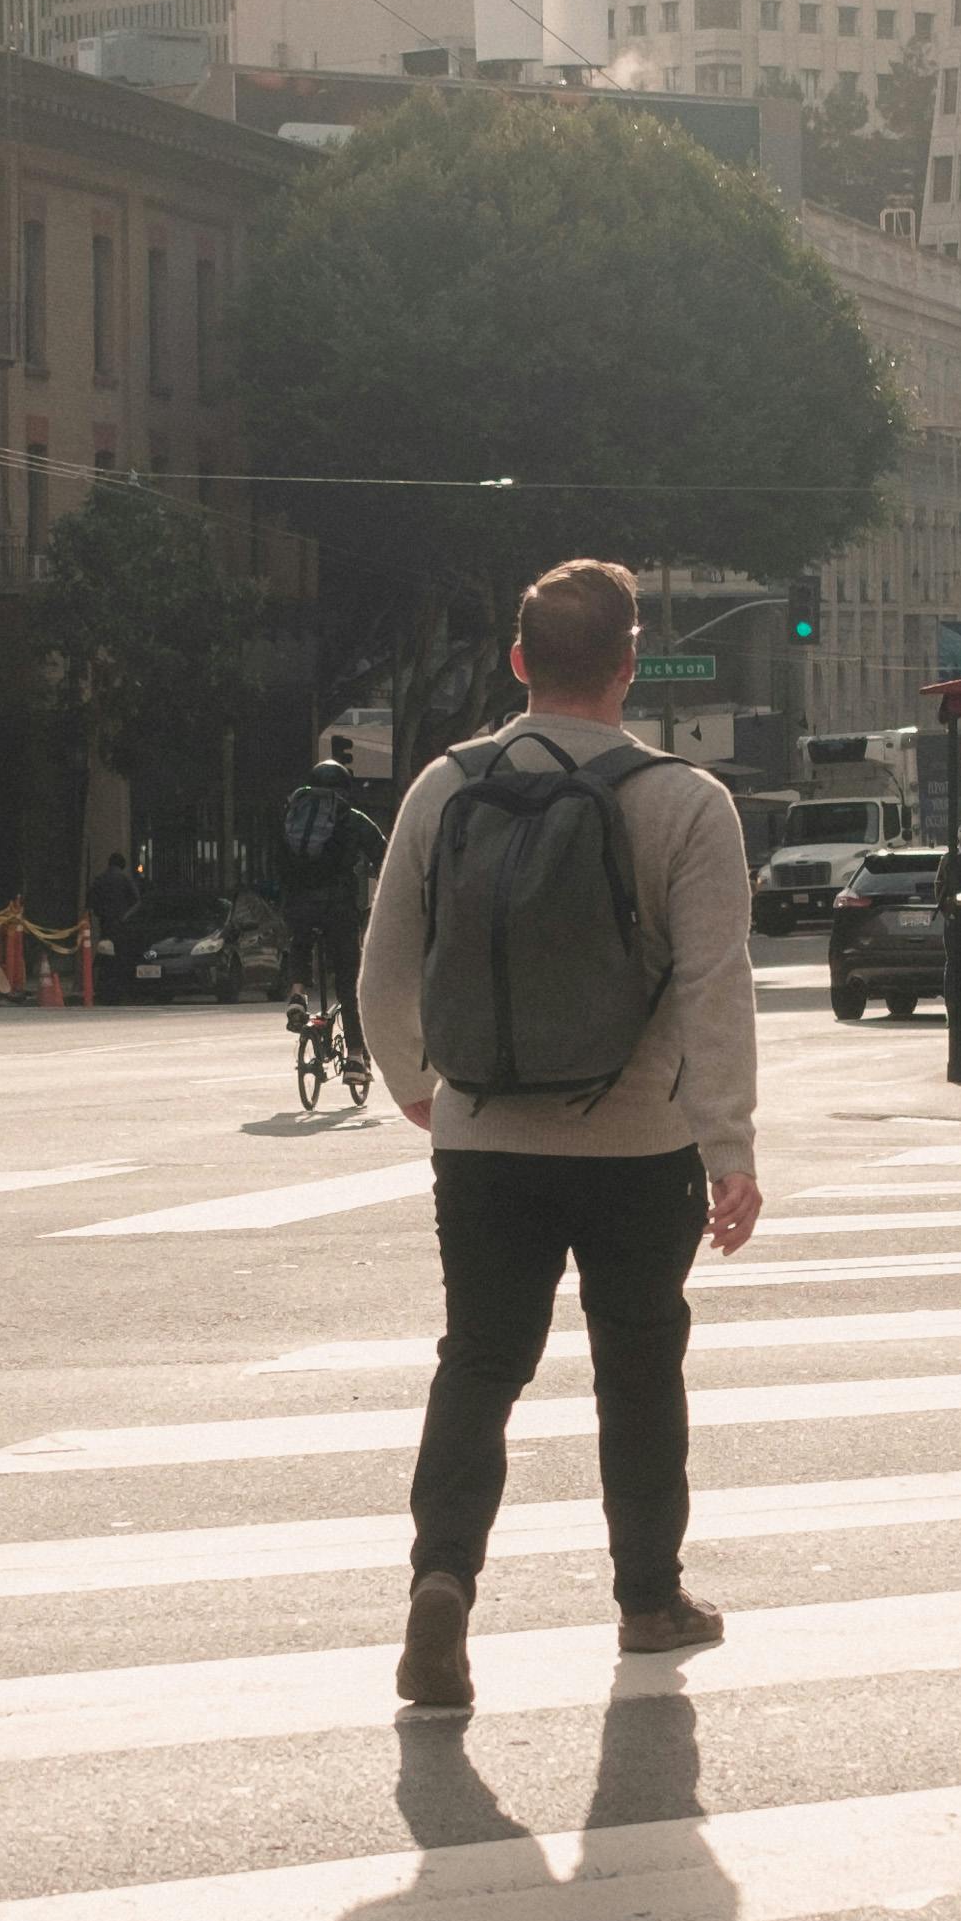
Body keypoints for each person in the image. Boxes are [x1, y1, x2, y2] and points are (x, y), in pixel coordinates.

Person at [359, 558, 759, 1711]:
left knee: (478, 1363)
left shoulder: (443, 788)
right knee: (639, 1369)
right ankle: (647, 1599)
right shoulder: (686, 802)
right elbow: (714, 993)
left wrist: (422, 1085)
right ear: (630, 666)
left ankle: (442, 1583)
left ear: (519, 660)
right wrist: (727, 1149)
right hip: (639, 1149)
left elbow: (386, 967)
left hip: (484, 1142)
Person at [276, 727, 380, 1047]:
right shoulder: (352, 818)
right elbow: (385, 852)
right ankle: (355, 1057)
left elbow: (279, 856)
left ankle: (297, 994)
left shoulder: (293, 812)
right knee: (348, 981)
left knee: (301, 942)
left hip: (298, 902)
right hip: (338, 906)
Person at [85, 843, 143, 1011]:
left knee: (105, 956)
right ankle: (119, 990)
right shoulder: (125, 879)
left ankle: (105, 988)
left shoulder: (100, 879)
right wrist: (126, 916)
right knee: (120, 957)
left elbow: (90, 900)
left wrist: (98, 913)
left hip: (105, 923)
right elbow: (137, 900)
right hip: (121, 924)